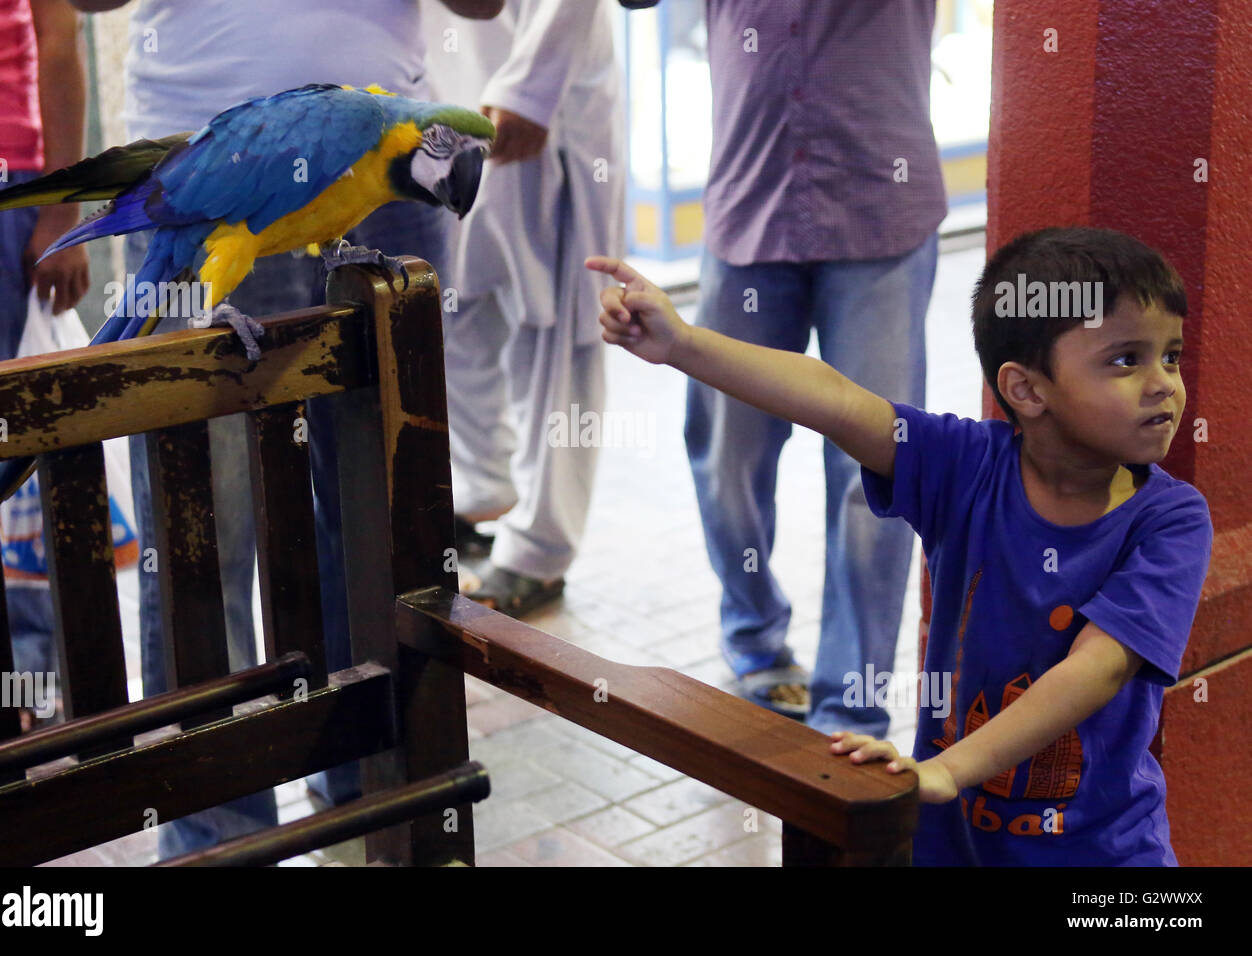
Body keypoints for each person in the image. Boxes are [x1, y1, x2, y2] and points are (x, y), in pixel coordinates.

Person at [587, 225, 1212, 864]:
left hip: (1107, 857)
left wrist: (947, 769)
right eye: (1125, 359)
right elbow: (833, 398)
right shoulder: (964, 467)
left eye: (1170, 355)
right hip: (950, 844)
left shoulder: (1170, 521)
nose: (1164, 382)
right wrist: (683, 343)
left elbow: (1097, 668)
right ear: (1027, 390)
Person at [69, 0, 502, 857]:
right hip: (205, 189)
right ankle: (212, 831)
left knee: (376, 533)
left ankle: (371, 801)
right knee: (204, 540)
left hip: (385, 191)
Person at [689, 2, 946, 724]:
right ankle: (754, 635)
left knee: (878, 470)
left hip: (879, 208)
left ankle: (850, 704)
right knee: (726, 455)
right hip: (747, 203)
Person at [421, 0, 623, 615]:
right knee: (454, 309)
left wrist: (531, 89)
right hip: (438, 91)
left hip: (544, 96)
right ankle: (484, 492)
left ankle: (538, 550)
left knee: (555, 327)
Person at [0, 0, 89, 720]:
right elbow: (58, 39)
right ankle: (19, 682)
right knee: (9, 440)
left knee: (3, 442)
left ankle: (17, 682)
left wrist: (62, 212)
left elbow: (59, 39)